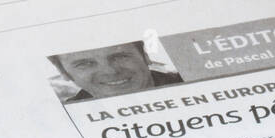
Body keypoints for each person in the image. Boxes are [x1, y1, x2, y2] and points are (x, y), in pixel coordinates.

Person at [49, 42, 182, 102]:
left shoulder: (187, 81)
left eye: (120, 56)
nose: (110, 71)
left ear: (145, 56)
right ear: (64, 72)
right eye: (84, 64)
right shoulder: (65, 117)